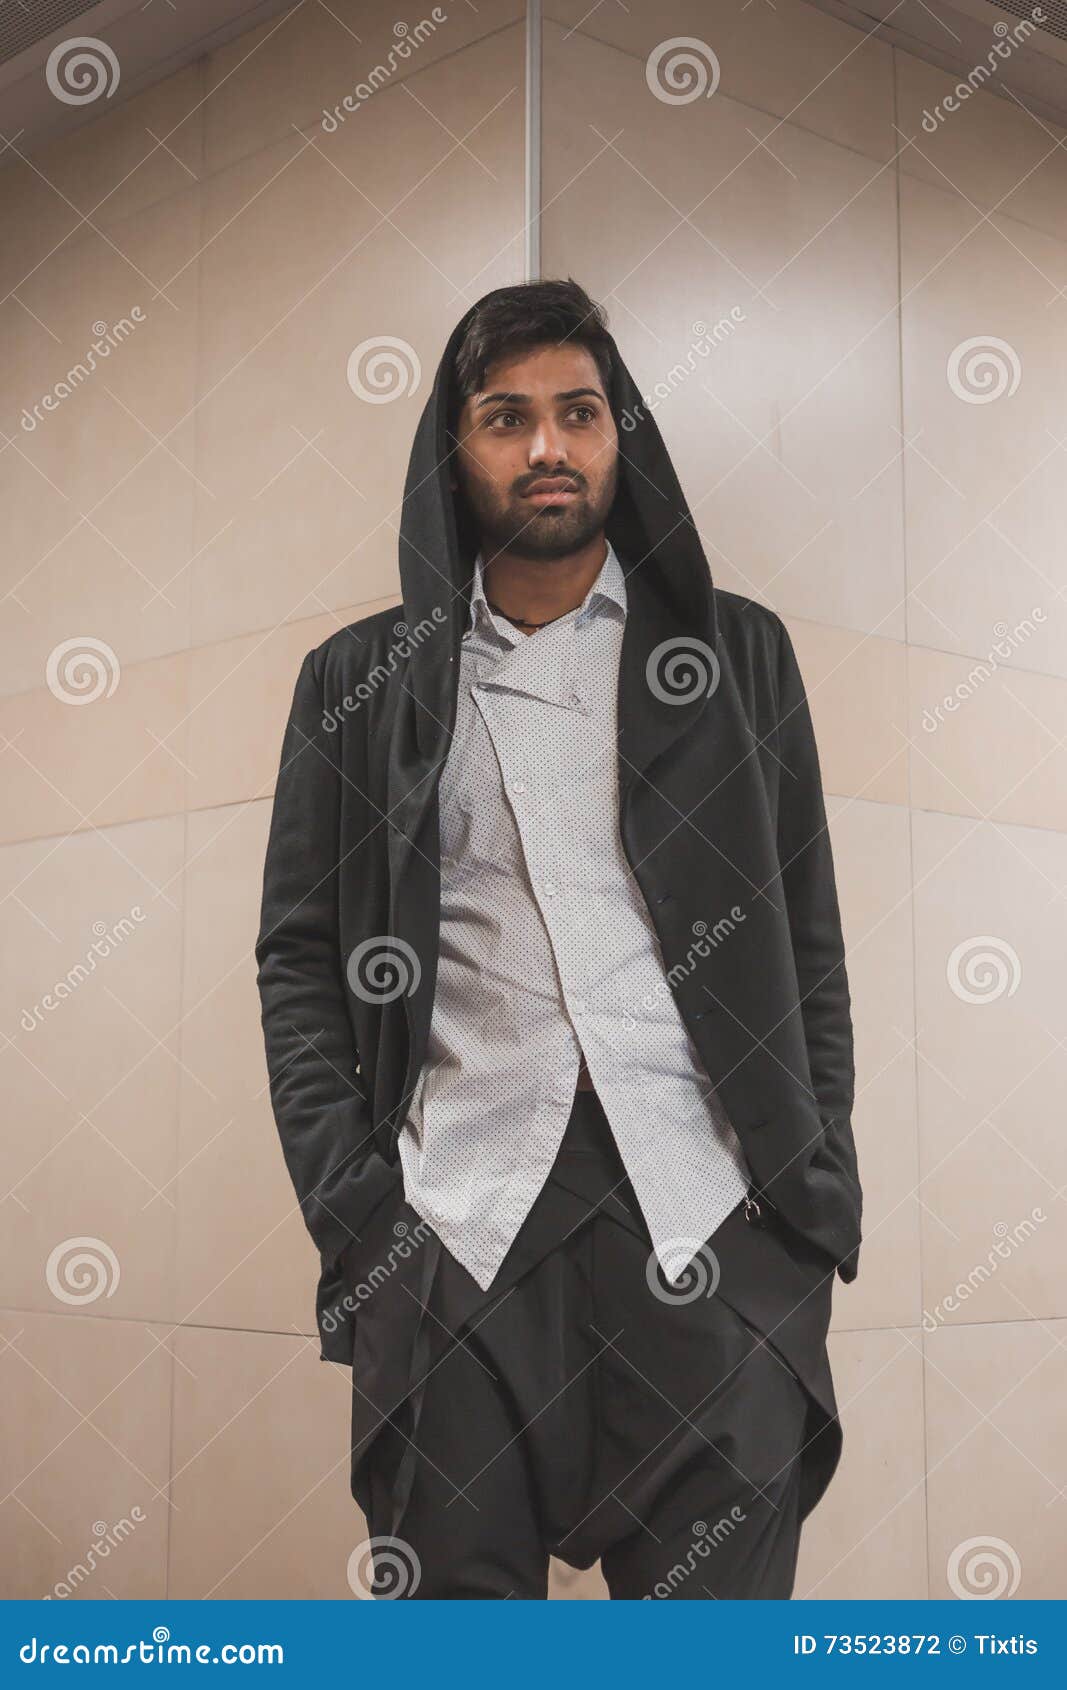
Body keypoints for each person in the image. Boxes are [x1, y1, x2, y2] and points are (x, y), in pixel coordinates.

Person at [255, 279, 863, 1599]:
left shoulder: (735, 654)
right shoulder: (356, 686)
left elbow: (807, 934)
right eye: (506, 417)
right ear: (453, 450)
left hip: (713, 1235)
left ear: (616, 437)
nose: (547, 446)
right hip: (457, 1249)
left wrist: (811, 1199)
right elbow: (301, 961)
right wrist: (360, 1220)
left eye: (578, 413)